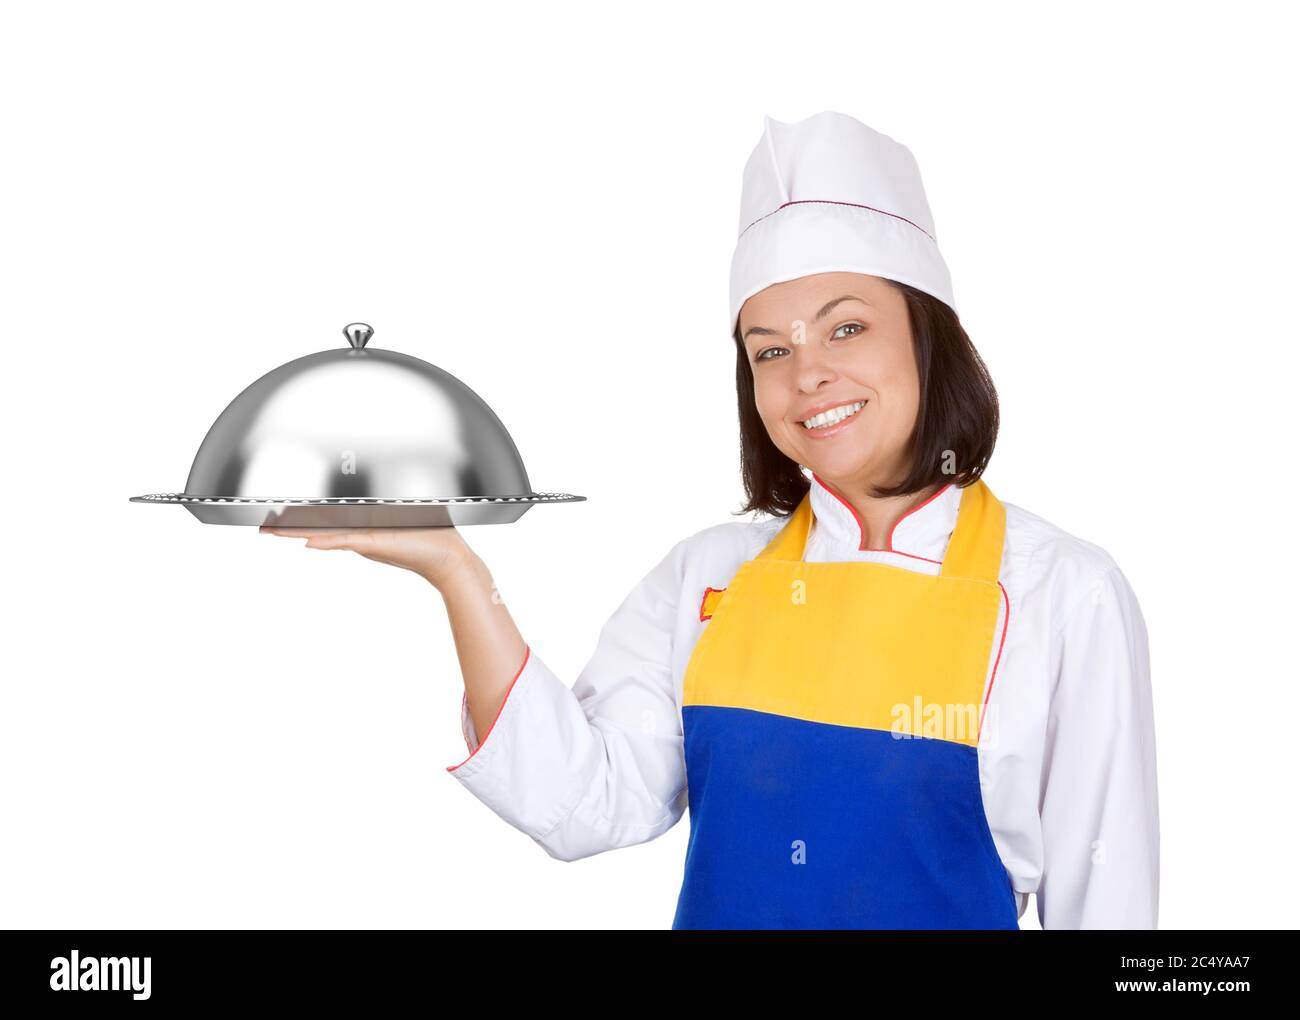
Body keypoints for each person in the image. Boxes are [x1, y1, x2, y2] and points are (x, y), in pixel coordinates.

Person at [262, 111, 1159, 929]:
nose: (806, 374)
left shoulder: (1062, 592)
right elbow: (584, 802)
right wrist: (457, 570)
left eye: (846, 329)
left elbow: (1107, 903)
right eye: (771, 350)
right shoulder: (708, 577)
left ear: (928, 338)